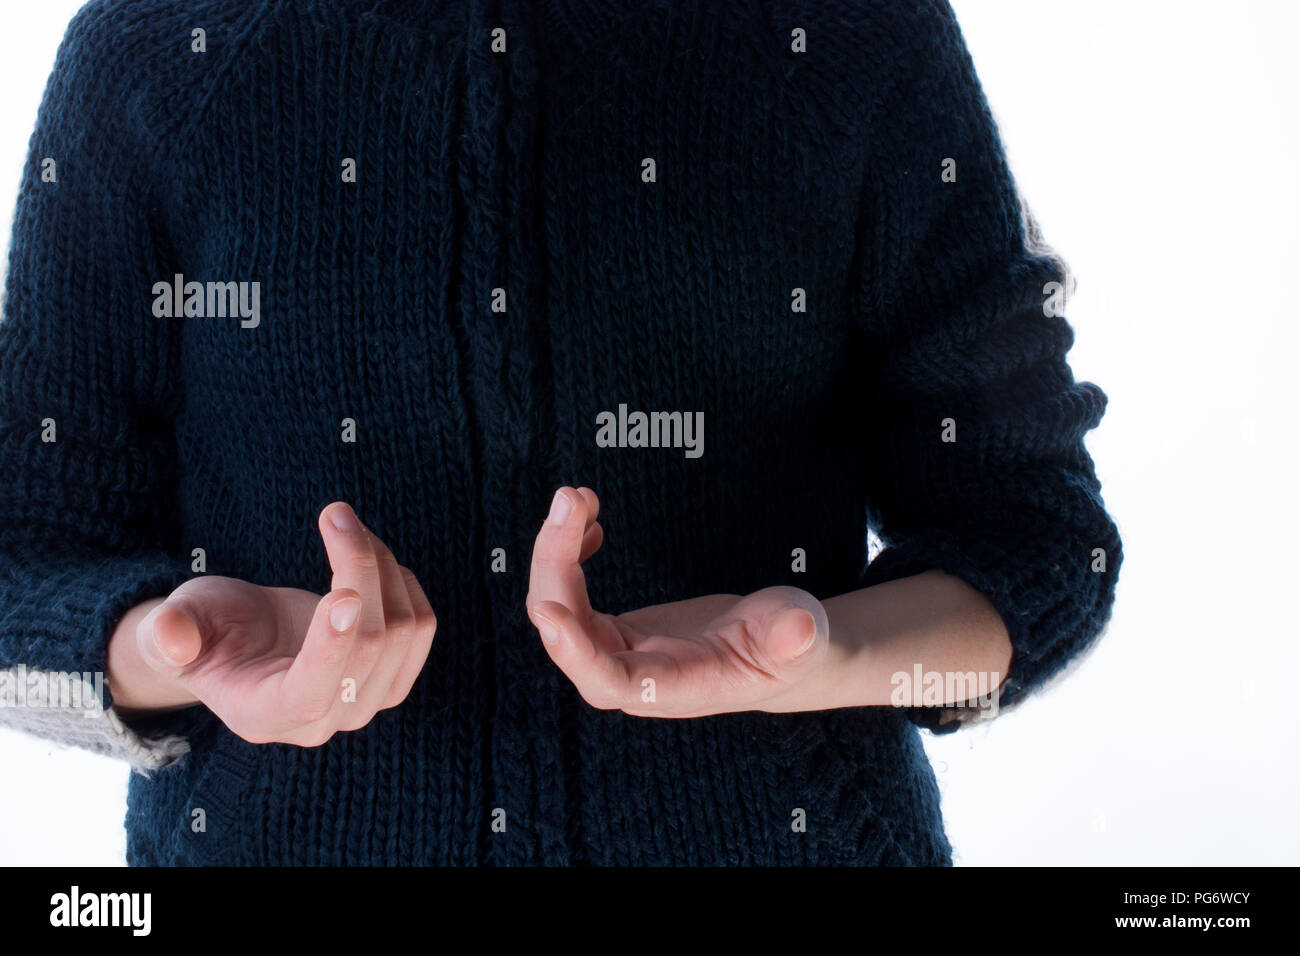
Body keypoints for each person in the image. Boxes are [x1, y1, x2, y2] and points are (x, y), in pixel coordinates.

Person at [0, 0, 1121, 865]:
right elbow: (22, 564)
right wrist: (168, 650)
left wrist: (816, 654)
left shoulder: (850, 35)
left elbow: (1036, 536)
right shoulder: (157, 52)